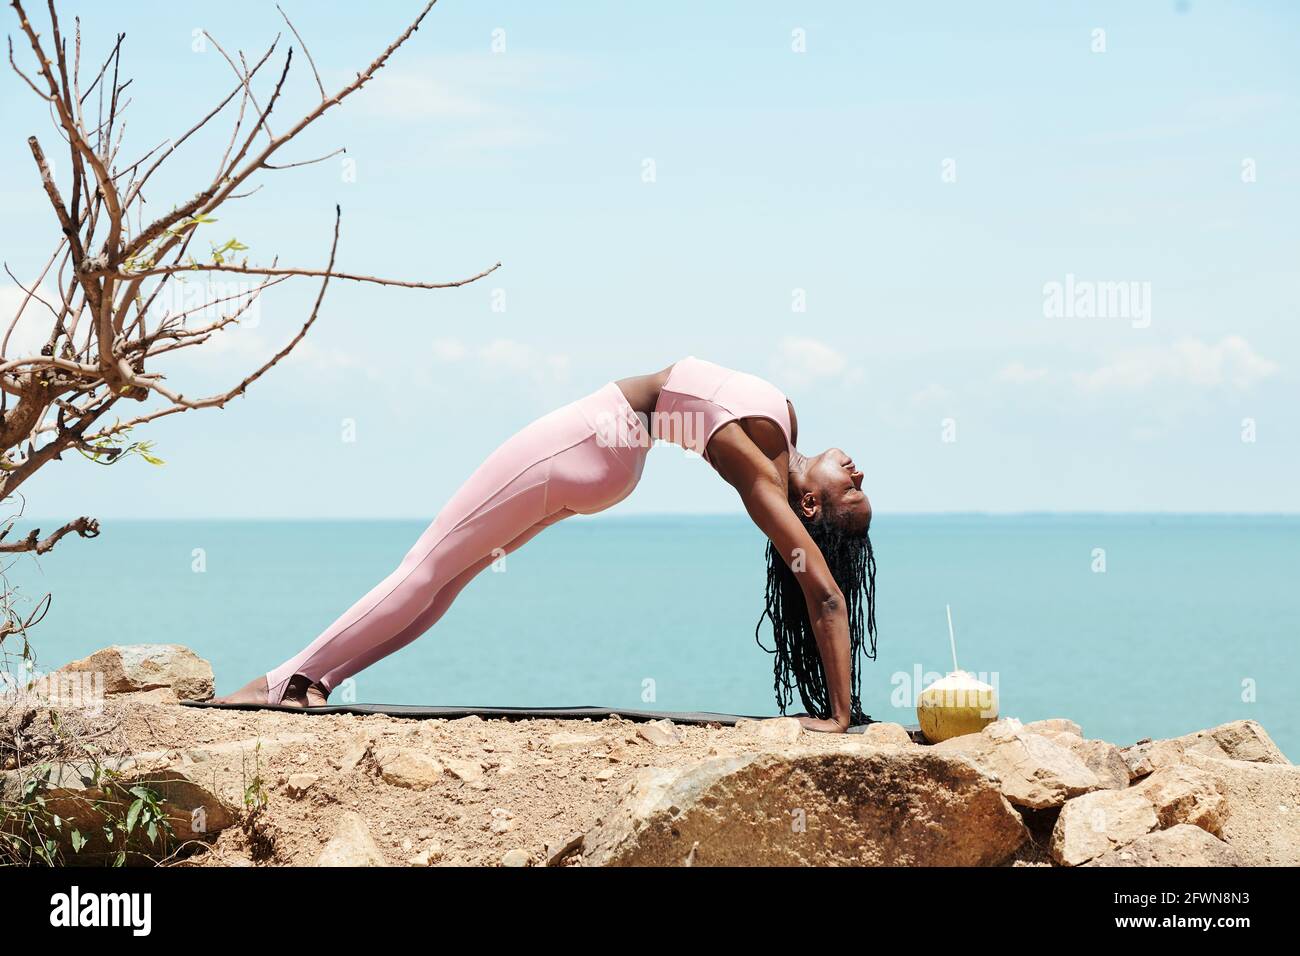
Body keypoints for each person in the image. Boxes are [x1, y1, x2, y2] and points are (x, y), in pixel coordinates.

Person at [214, 356, 876, 733]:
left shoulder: (758, 464)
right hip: (611, 463)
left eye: (852, 495)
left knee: (425, 566)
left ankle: (279, 683)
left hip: (588, 441)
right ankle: (320, 682)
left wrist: (840, 716)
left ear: (810, 505)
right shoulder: (782, 425)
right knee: (450, 577)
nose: (860, 475)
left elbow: (822, 592)